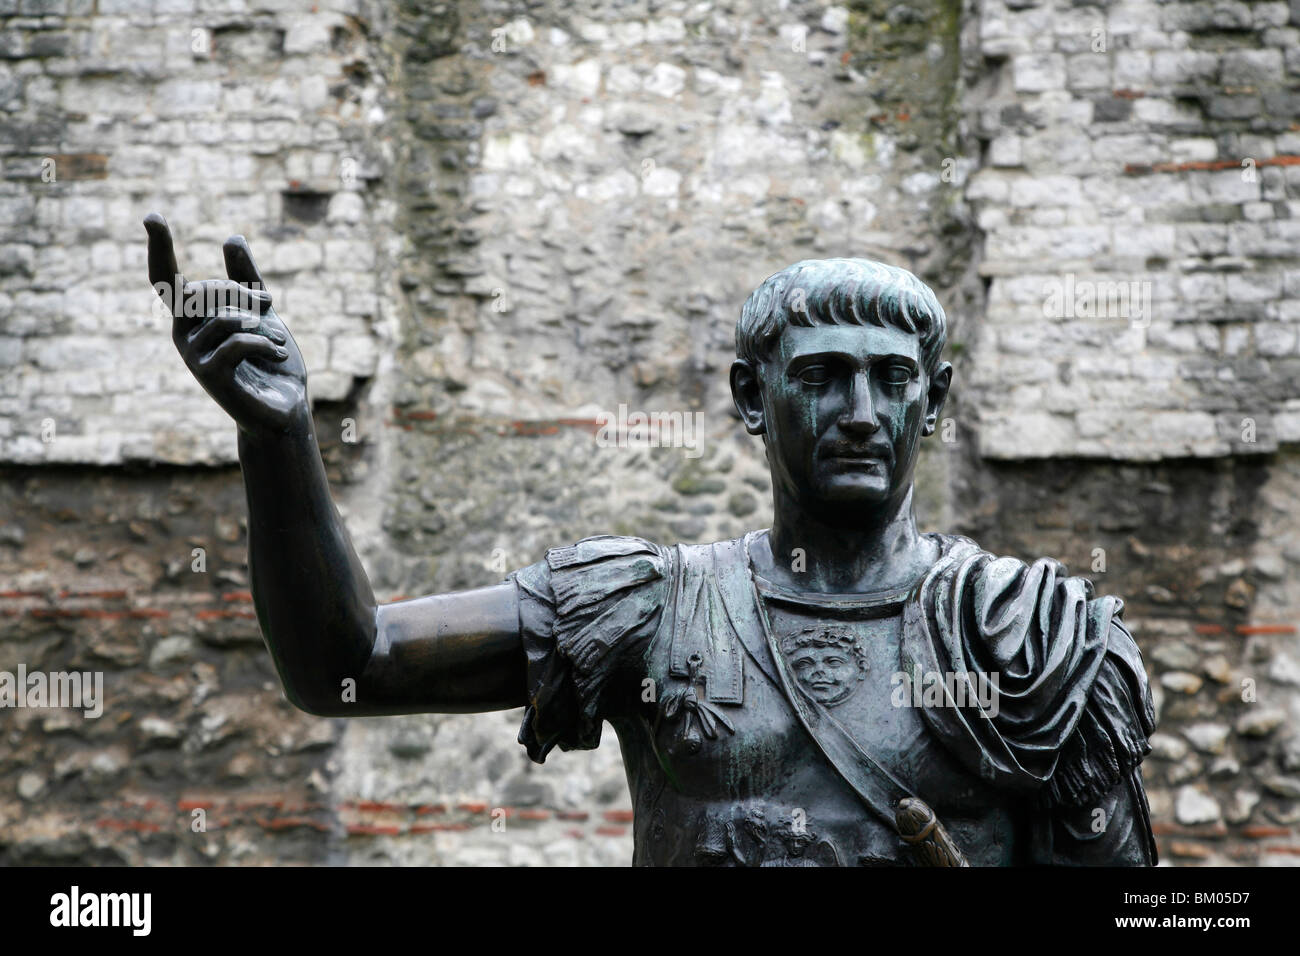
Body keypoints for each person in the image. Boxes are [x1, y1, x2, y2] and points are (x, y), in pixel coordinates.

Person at [145, 215, 1157, 866]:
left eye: (892, 380)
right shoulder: (648, 605)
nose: (860, 411)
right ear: (751, 398)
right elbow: (346, 664)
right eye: (822, 375)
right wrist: (277, 440)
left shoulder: (1031, 638)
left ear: (930, 403)